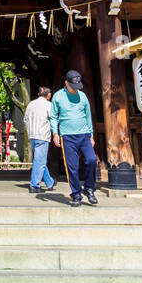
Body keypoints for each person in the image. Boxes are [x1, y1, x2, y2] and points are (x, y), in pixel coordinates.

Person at [50, 70, 97, 206]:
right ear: (66, 83)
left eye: (78, 86)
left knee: (92, 160)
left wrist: (91, 135)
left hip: (84, 135)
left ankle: (89, 188)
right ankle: (76, 194)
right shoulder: (58, 96)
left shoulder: (82, 96)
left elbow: (88, 116)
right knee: (73, 166)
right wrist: (55, 133)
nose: (76, 89)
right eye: (73, 86)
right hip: (67, 136)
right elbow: (53, 116)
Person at [24, 86, 56, 193]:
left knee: (40, 160)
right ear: (48, 95)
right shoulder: (48, 105)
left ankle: (50, 182)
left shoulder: (30, 104)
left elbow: (25, 119)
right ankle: (34, 185)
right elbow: (54, 119)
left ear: (38, 94)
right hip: (42, 135)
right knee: (40, 161)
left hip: (32, 135)